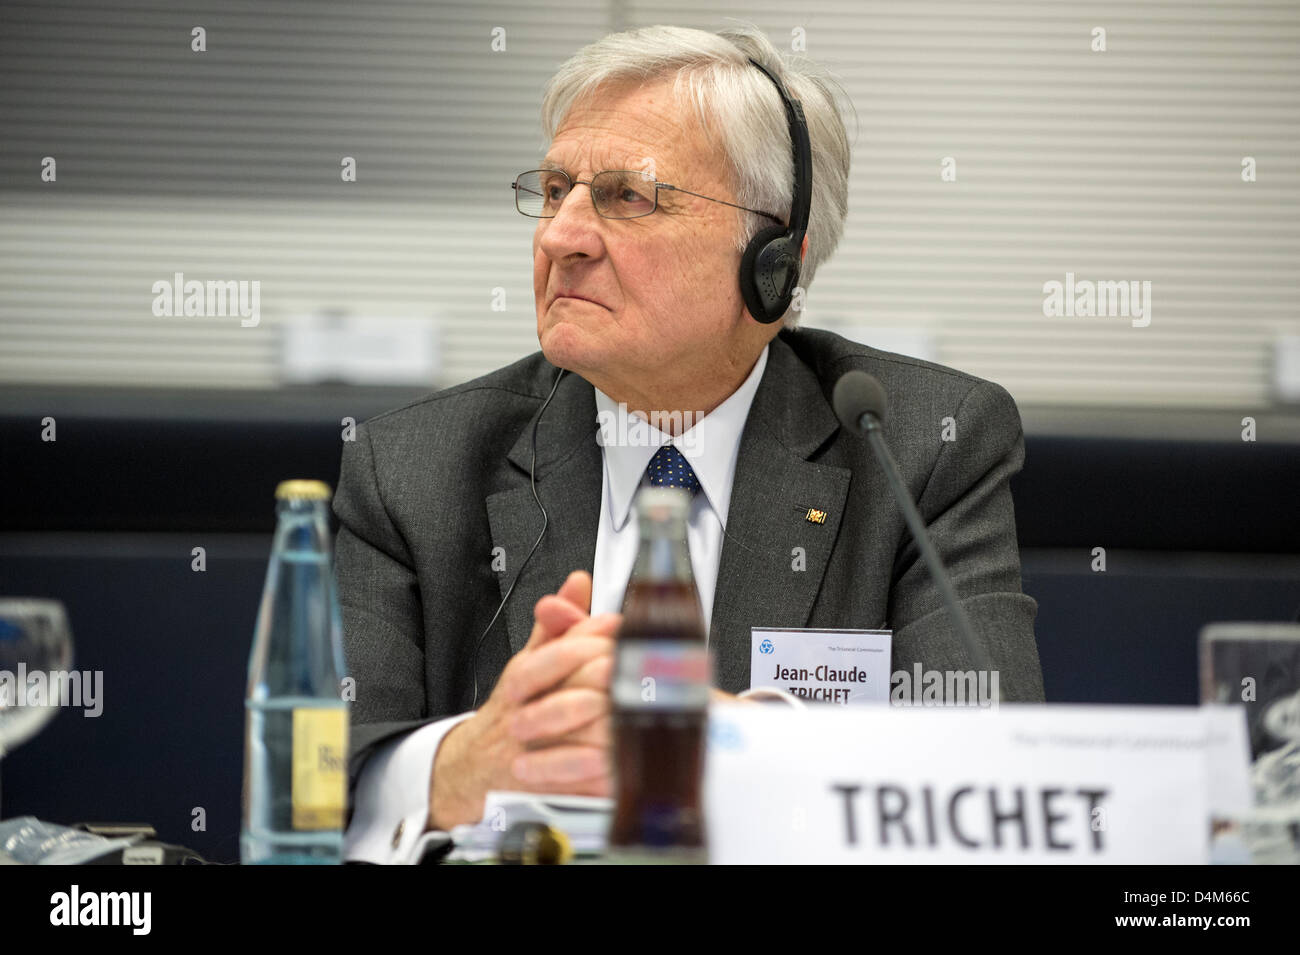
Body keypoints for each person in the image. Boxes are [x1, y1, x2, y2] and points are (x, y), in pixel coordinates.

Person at [334, 24, 1044, 864]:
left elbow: (992, 771)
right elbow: (315, 773)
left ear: (773, 262)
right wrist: (457, 766)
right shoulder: (416, 468)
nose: (561, 235)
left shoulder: (919, 447)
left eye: (626, 197)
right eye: (555, 189)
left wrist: (734, 742)